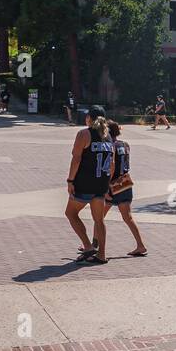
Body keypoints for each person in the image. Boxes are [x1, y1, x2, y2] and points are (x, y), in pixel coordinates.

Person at [65, 105, 114, 264]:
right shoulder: (108, 137)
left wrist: (70, 180)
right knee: (99, 220)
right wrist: (107, 183)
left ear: (89, 118)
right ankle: (102, 255)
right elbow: (112, 164)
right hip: (101, 184)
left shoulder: (84, 134)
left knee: (71, 213)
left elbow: (76, 159)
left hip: (84, 183)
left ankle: (87, 246)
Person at [106, 119, 147, 256]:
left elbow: (111, 167)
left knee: (99, 217)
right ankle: (140, 245)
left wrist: (106, 187)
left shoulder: (110, 145)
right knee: (128, 217)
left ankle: (92, 246)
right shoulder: (126, 145)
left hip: (113, 183)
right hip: (125, 181)